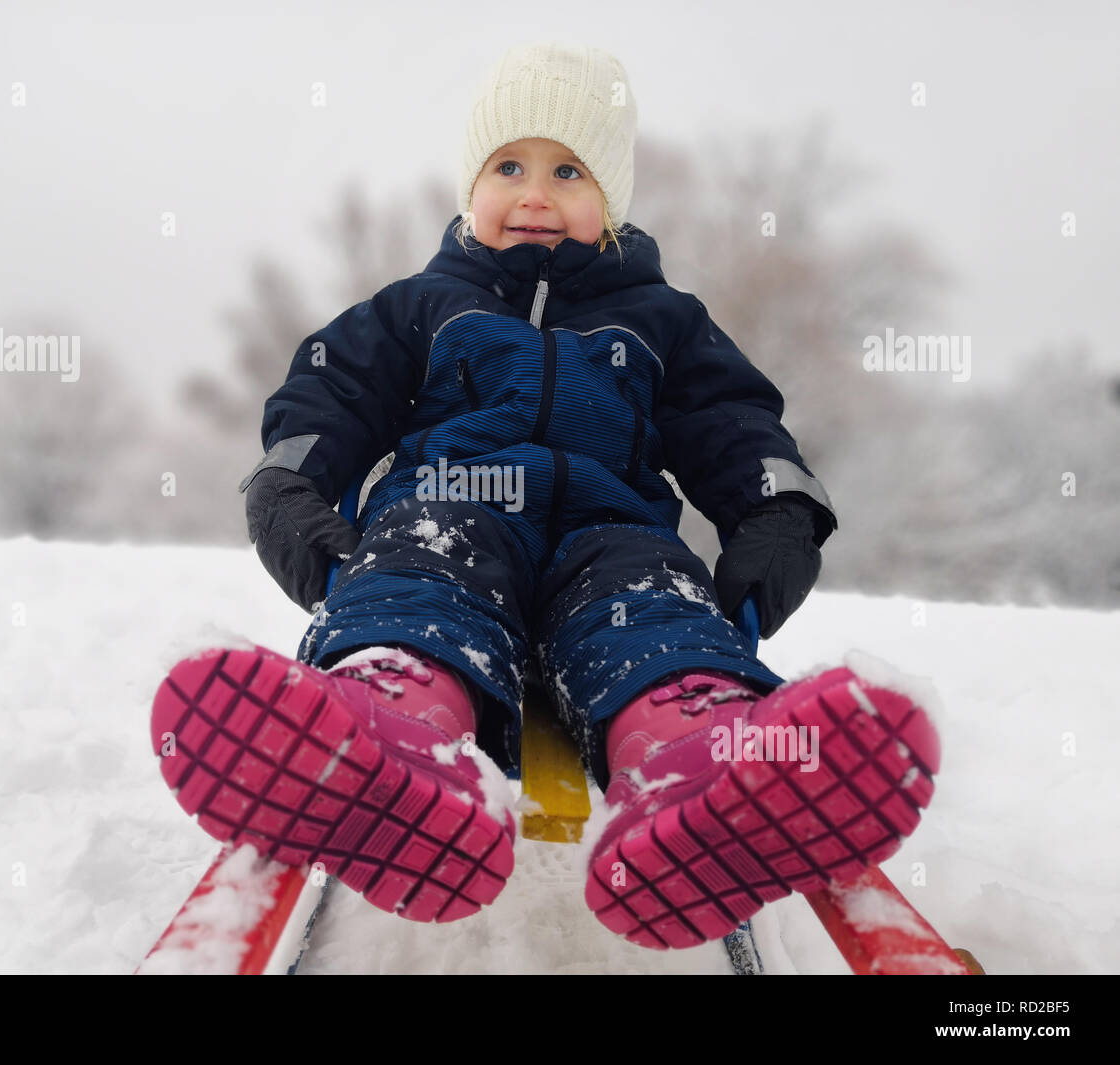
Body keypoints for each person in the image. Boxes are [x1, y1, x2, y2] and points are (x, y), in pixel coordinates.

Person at [152, 43, 940, 950]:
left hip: (610, 534)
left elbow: (734, 421)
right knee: (412, 571)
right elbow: (331, 391)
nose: (535, 192)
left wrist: (776, 511)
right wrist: (290, 485)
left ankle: (696, 759)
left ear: (612, 198)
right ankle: (394, 723)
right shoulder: (424, 305)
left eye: (569, 170)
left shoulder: (661, 319)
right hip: (450, 513)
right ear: (470, 186)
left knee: (655, 608)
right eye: (508, 166)